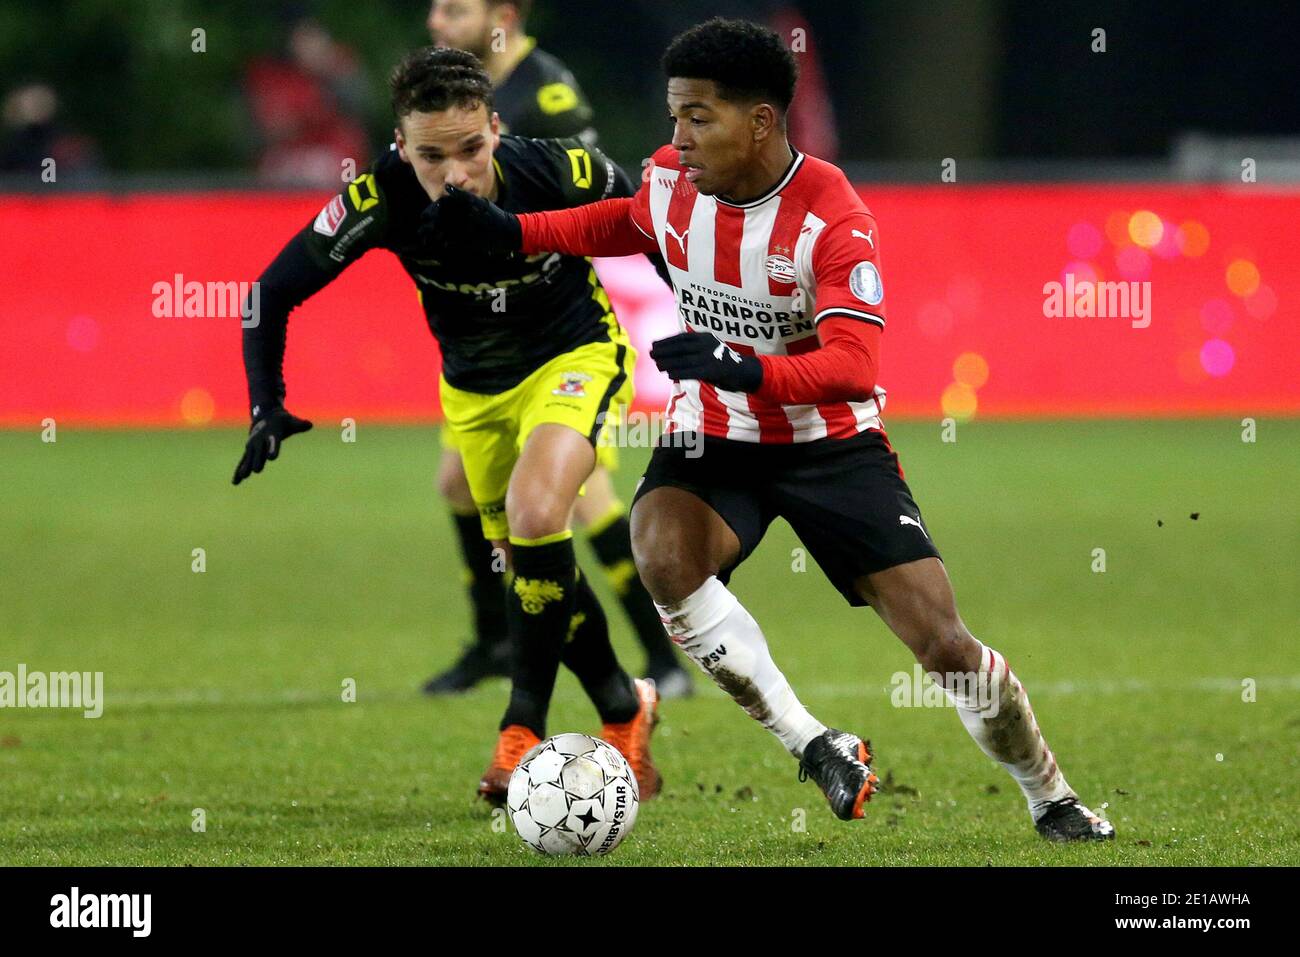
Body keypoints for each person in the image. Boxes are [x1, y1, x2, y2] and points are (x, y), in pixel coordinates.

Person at [419, 18, 1115, 841]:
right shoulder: (673, 181)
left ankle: (1051, 795)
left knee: (942, 644)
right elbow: (622, 222)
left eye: (698, 117)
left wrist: (743, 364)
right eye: (674, 115)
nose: (678, 136)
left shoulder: (834, 218)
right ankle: (815, 743)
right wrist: (516, 231)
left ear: (761, 122)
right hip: (717, 433)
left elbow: (854, 365)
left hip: (830, 443)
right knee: (663, 555)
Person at [232, 47, 661, 805]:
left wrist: (714, 341)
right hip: (473, 393)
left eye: (471, 148)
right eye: (432, 156)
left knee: (536, 513)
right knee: (529, 562)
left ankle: (520, 725)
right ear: (402, 148)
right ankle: (626, 707)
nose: (455, 171)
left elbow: (643, 225)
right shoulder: (380, 196)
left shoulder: (556, 169)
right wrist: (267, 401)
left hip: (575, 356)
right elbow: (270, 291)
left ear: (495, 128)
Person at [423, 0, 693, 698]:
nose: (437, 22)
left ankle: (662, 658)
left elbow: (599, 201)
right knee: (458, 484)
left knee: (578, 496)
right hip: (483, 341)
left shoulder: (546, 93)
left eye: (455, 9)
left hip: (556, 333)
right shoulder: (460, 98)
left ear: (503, 16)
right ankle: (493, 637)